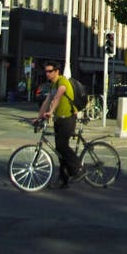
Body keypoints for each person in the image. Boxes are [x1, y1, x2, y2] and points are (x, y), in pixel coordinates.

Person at [35, 61, 84, 189]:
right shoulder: (52, 85)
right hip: (59, 120)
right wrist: (38, 117)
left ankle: (78, 168)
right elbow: (47, 101)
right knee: (60, 151)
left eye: (50, 71)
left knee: (62, 146)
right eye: (46, 71)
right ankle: (63, 180)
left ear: (57, 71)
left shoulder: (62, 81)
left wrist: (51, 111)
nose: (47, 73)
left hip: (68, 118)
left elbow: (59, 95)